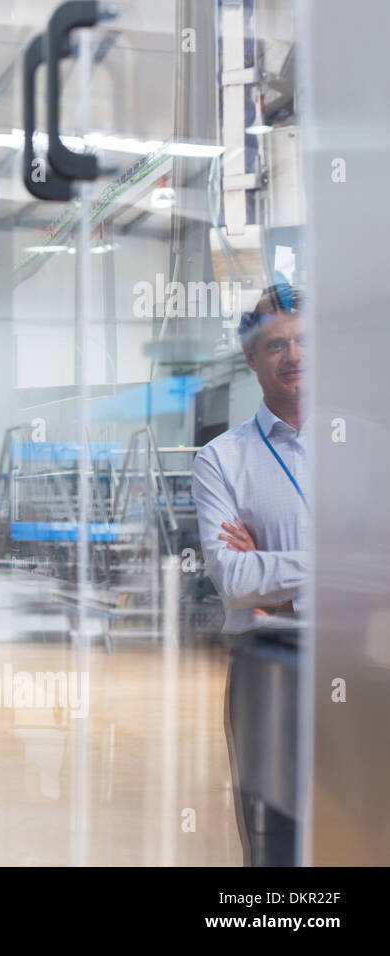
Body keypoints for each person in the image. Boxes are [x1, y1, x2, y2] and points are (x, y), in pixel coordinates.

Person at [191, 280, 307, 867]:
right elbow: (235, 580)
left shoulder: (366, 447)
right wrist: (337, 565)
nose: (295, 356)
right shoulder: (221, 460)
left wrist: (283, 586)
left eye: (305, 340)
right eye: (276, 345)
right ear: (251, 359)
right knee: (274, 846)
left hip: (363, 661)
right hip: (269, 667)